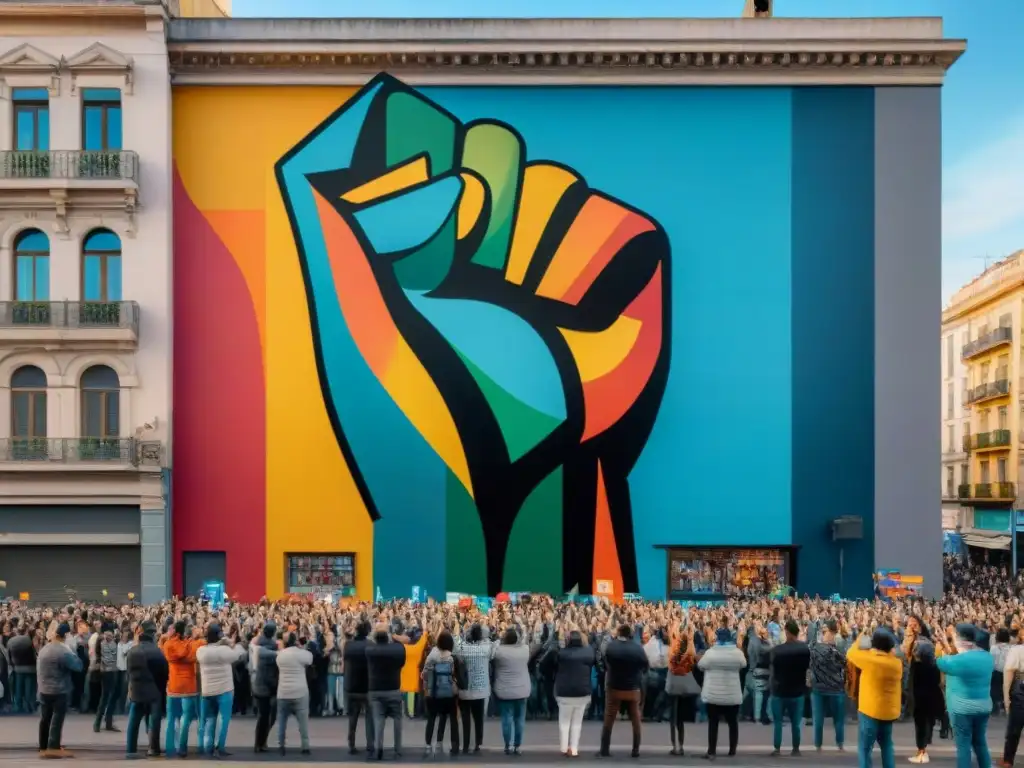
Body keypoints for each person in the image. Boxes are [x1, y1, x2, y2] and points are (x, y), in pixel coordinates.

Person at [936, 623, 994, 768]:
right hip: (983, 707)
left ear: (961, 639)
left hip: (961, 710)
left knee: (963, 746)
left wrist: (943, 647)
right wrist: (949, 647)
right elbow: (959, 658)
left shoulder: (958, 661)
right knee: (980, 742)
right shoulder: (987, 657)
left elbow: (941, 662)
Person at [846, 628, 903, 768]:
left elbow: (851, 653)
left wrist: (861, 635)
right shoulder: (896, 663)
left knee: (865, 749)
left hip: (869, 711)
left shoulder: (870, 660)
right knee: (887, 746)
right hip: (888, 713)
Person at [598, 623, 648, 759]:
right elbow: (645, 665)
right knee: (636, 719)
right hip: (633, 687)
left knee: (609, 717)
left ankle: (604, 749)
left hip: (614, 686)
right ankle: (636, 749)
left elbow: (606, 662)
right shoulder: (637, 648)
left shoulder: (612, 647)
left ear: (619, 633)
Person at [196, 622, 245, 758]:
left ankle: (208, 747)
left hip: (207, 691)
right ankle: (220, 746)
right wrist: (231, 642)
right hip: (224, 689)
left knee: (209, 720)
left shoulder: (201, 651)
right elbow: (238, 654)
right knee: (223, 720)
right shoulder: (224, 651)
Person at [698, 626, 745, 761]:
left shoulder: (711, 653)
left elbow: (701, 665)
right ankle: (732, 750)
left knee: (713, 723)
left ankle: (711, 751)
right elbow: (743, 663)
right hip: (732, 695)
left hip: (714, 695)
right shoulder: (737, 653)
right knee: (732, 723)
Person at [37, 622, 82, 759]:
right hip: (59, 690)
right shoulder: (63, 650)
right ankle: (53, 747)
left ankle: (43, 745)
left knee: (45, 718)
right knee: (57, 719)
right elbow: (78, 666)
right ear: (65, 636)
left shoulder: (44, 648)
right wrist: (74, 651)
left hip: (44, 689)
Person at [125, 620, 169, 759]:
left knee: (134, 720)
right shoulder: (157, 652)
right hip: (154, 690)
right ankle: (153, 748)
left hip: (137, 689)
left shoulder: (132, 651)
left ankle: (131, 748)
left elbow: (128, 673)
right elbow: (164, 673)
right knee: (154, 722)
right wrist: (160, 689)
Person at [162, 620, 203, 758]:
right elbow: (199, 649)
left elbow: (165, 650)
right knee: (186, 719)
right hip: (189, 686)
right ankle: (182, 747)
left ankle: (170, 746)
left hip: (174, 686)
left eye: (171, 629)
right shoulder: (192, 645)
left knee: (172, 718)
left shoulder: (168, 645)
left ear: (176, 632)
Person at [366, 622, 407, 760]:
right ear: (388, 637)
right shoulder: (398, 649)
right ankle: (398, 749)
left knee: (378, 721)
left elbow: (370, 642)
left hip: (376, 690)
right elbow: (402, 662)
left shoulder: (369, 650)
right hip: (393, 689)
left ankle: (378, 748)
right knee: (397, 719)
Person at [769, 619, 810, 757]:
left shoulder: (777, 650)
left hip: (779, 692)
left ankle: (777, 749)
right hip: (797, 692)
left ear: (786, 632)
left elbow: (773, 671)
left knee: (778, 723)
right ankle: (796, 749)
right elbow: (808, 669)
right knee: (796, 723)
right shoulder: (805, 649)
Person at [454, 623, 495, 755]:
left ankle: (466, 744)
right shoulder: (486, 649)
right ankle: (478, 742)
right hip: (480, 689)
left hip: (465, 689)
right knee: (478, 718)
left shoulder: (462, 649)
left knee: (465, 719)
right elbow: (494, 645)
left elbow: (455, 647)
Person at [555, 628, 596, 758]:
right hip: (582, 691)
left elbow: (548, 664)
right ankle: (574, 749)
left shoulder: (561, 653)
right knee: (577, 722)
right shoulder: (589, 653)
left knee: (564, 721)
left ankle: (564, 747)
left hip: (564, 691)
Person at [809, 618, 846, 752]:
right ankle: (839, 744)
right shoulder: (840, 645)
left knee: (819, 719)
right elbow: (845, 663)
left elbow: (810, 663)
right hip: (835, 687)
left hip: (821, 687)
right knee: (838, 719)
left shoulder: (815, 646)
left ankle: (820, 745)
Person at [906, 632, 943, 765]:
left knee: (920, 725)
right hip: (932, 697)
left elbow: (911, 682)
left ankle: (921, 752)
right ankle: (924, 747)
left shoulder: (917, 666)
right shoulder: (935, 664)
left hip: (919, 698)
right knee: (928, 722)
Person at [493, 626, 531, 755]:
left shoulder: (499, 652)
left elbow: (494, 648)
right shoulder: (525, 650)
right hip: (522, 690)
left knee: (506, 719)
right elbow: (525, 642)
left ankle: (507, 745)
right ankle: (517, 746)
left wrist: (498, 640)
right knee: (519, 719)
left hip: (504, 690)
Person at [422, 630, 460, 757]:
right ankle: (444, 743)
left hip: (432, 693)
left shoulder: (432, 655)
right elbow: (455, 676)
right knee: (448, 718)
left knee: (431, 719)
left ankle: (428, 745)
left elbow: (424, 675)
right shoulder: (452, 657)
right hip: (448, 693)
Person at [276, 630, 313, 755]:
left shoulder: (280, 655)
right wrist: (302, 647)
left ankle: (281, 744)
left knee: (282, 721)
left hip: (283, 692)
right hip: (300, 691)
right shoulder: (302, 653)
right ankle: (305, 745)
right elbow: (310, 659)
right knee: (303, 722)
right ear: (295, 641)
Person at [664, 624, 699, 757]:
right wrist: (691, 640)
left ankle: (674, 746)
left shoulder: (672, 653)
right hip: (685, 688)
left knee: (673, 719)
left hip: (673, 686)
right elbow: (695, 659)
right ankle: (682, 746)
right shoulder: (689, 653)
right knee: (680, 720)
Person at [344, 620, 374, 756]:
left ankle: (351, 744)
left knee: (353, 718)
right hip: (367, 686)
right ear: (367, 632)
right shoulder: (370, 645)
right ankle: (370, 744)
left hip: (352, 685)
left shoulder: (348, 645)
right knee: (369, 717)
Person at [250, 621, 279, 753]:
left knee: (264, 716)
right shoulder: (270, 646)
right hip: (268, 684)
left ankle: (259, 742)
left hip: (260, 684)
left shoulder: (258, 643)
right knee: (266, 716)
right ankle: (260, 743)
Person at [1003, 623, 1024, 766]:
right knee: (1014, 729)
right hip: (1021, 691)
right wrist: (1006, 697)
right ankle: (1008, 760)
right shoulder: (1017, 650)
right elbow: (1009, 671)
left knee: (1014, 729)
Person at [92, 627, 121, 734]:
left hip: (114, 671)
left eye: (110, 634)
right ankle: (97, 723)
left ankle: (108, 722)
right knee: (105, 697)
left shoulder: (115, 642)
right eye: (106, 634)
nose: (108, 636)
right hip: (106, 672)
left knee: (113, 696)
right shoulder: (102, 642)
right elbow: (99, 655)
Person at [9, 624, 37, 714]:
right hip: (30, 668)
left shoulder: (11, 641)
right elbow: (33, 654)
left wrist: (12, 664)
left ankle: (18, 707)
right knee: (29, 688)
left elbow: (9, 655)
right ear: (25, 631)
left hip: (18, 668)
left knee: (18, 688)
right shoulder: (29, 640)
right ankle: (29, 706)